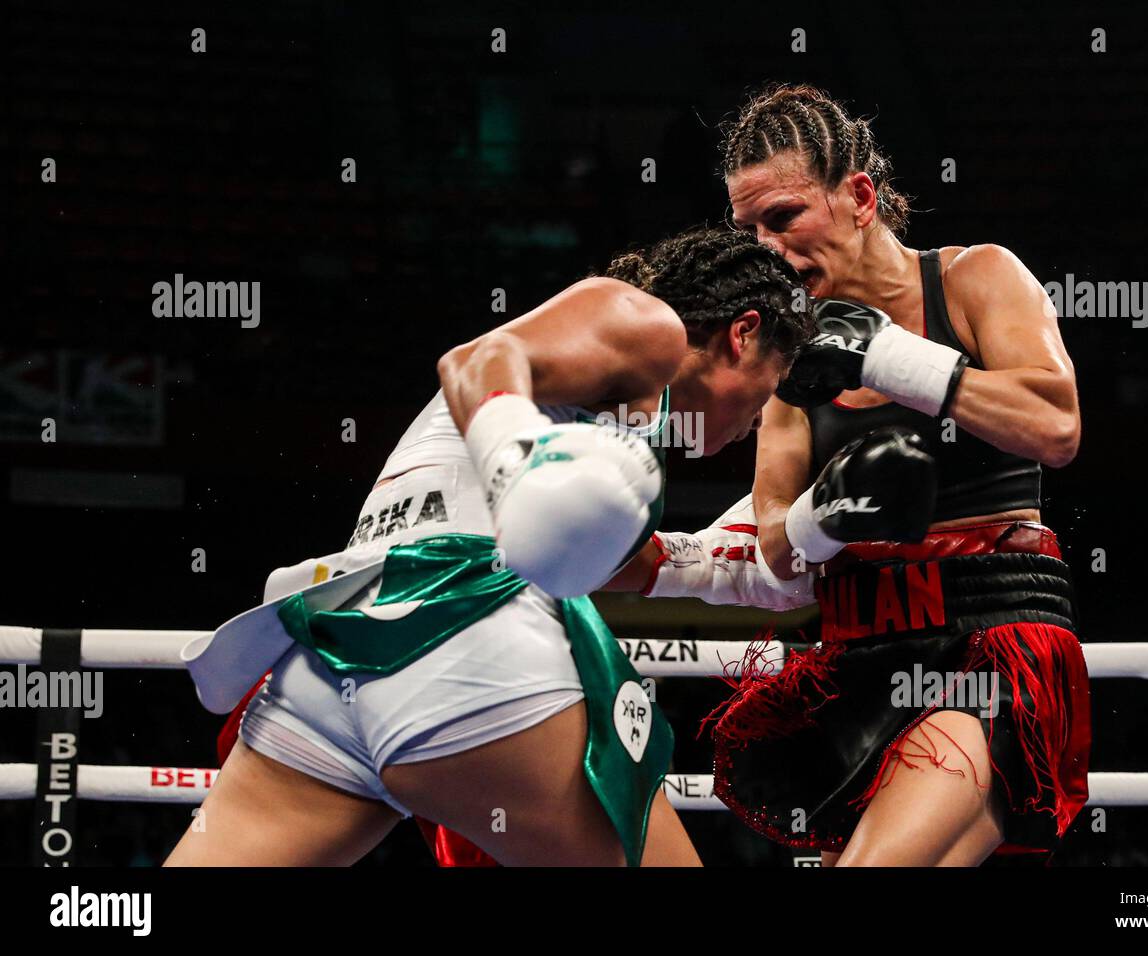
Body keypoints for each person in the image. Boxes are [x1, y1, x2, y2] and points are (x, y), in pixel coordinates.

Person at [166, 226, 812, 867]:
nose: (759, 421)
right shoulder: (644, 321)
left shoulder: (604, 422)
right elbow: (474, 360)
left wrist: (730, 571)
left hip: (334, 649)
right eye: (771, 389)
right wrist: (517, 465)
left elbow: (582, 554)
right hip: (462, 638)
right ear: (743, 332)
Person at [695, 84, 1091, 866]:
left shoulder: (974, 279)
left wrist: (892, 360)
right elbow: (777, 547)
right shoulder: (791, 362)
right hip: (860, 666)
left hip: (989, 647)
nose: (766, 251)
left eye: (783, 218)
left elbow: (1056, 425)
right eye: (748, 231)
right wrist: (826, 513)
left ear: (861, 197)